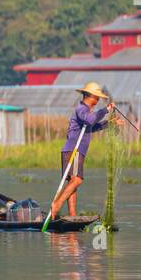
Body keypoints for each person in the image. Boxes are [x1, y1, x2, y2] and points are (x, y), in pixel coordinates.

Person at [51, 81, 114, 218]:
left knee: (73, 183)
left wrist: (110, 122)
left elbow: (93, 126)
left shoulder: (88, 112)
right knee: (77, 180)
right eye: (96, 97)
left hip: (76, 151)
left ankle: (72, 215)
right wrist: (105, 110)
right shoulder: (82, 109)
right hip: (73, 149)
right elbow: (90, 120)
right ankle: (56, 204)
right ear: (89, 96)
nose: (98, 100)